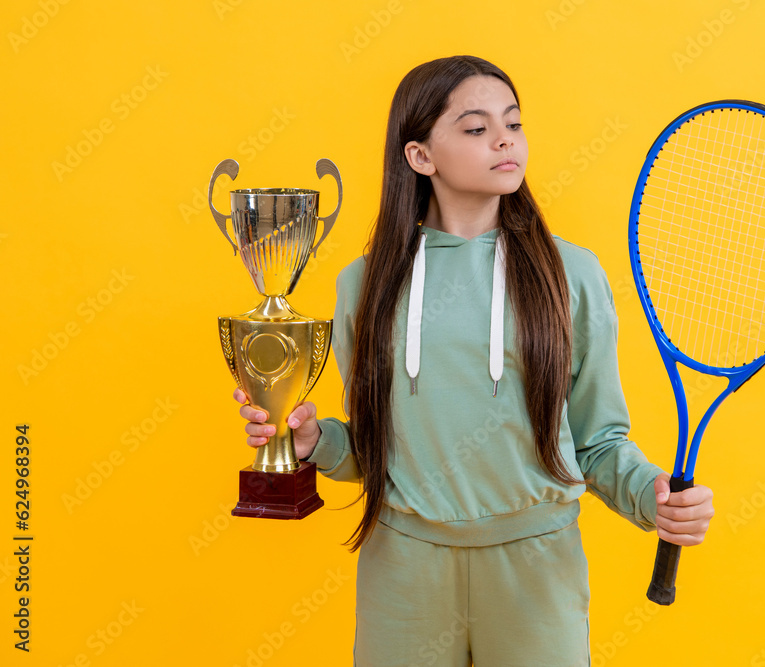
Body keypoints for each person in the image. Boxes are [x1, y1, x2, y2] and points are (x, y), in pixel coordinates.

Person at [233, 55, 714, 667]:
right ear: (420, 157)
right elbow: (371, 450)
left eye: (513, 123)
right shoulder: (366, 285)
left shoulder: (572, 275)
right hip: (403, 570)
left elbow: (597, 443)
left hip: (537, 570)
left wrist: (652, 495)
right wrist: (309, 443)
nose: (504, 139)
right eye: (475, 127)